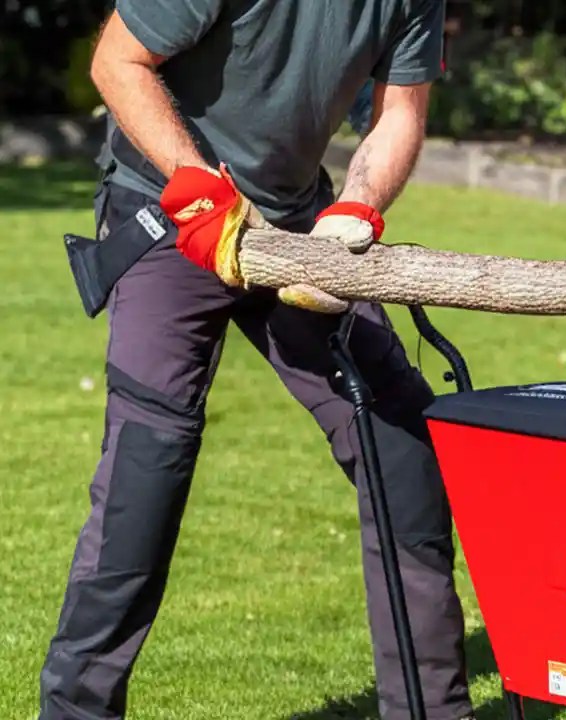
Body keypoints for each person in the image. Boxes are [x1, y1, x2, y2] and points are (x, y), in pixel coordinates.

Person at [38, 2, 474, 719]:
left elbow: (399, 114)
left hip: (299, 226)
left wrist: (356, 209)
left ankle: (432, 710)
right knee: (148, 470)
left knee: (401, 449)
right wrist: (199, 188)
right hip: (170, 213)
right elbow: (116, 61)